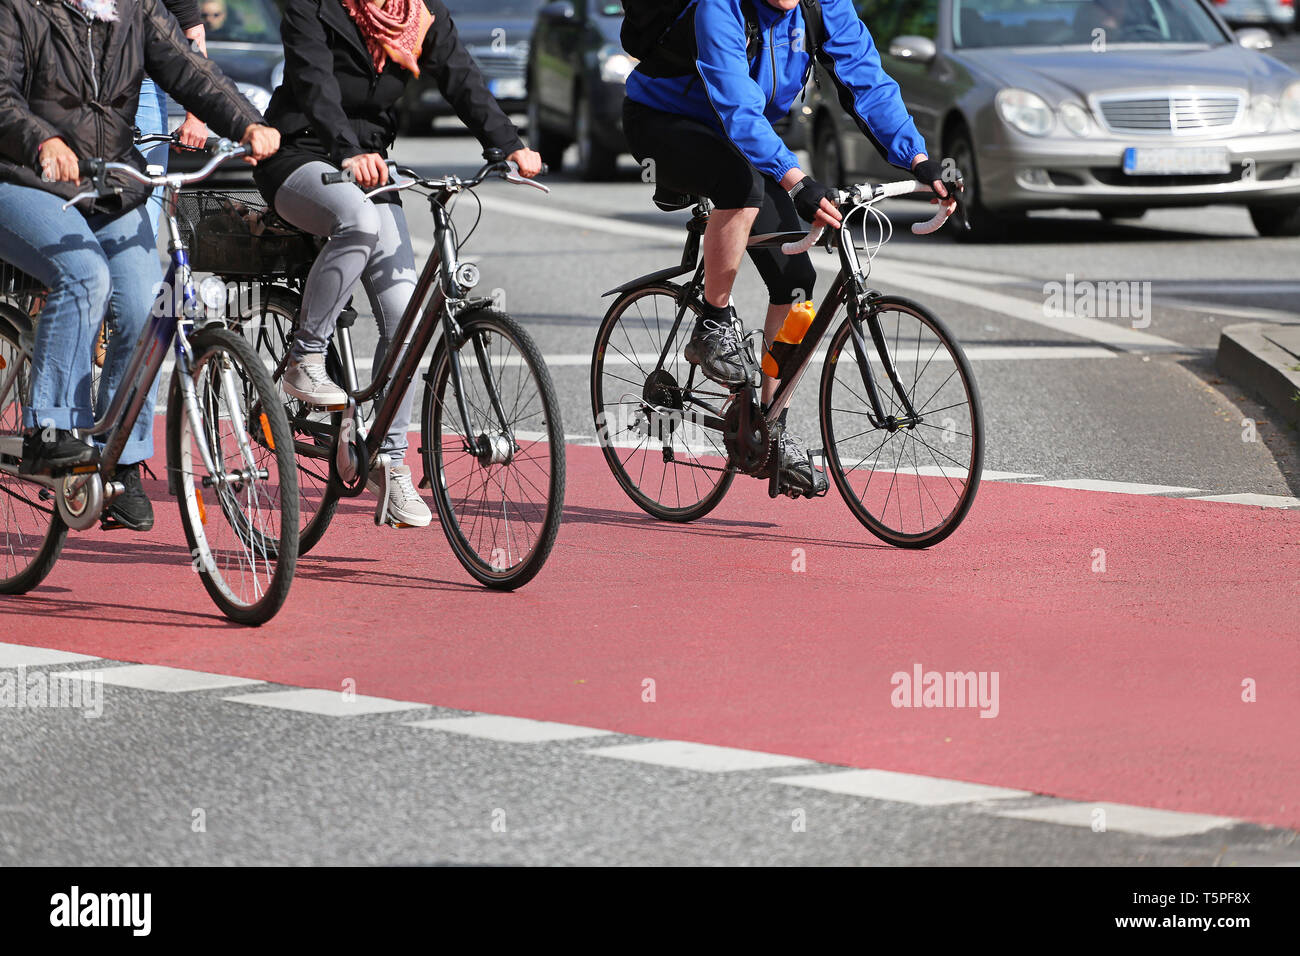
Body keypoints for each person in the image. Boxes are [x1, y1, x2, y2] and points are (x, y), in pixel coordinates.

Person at [624, 0, 955, 496]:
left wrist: (920, 159)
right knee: (739, 185)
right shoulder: (721, 7)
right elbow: (735, 106)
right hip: (665, 123)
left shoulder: (823, 7)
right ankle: (712, 324)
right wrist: (797, 180)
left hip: (748, 133)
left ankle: (767, 428)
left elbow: (867, 81)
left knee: (796, 281)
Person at [254, 0, 541, 528]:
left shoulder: (418, 15)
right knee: (358, 223)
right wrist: (343, 148)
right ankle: (305, 356)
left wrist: (508, 144)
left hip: (369, 168)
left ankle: (390, 461)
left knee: (405, 315)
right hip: (300, 155)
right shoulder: (311, 6)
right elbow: (314, 80)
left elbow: (461, 76)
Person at [0, 0, 280, 530]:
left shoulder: (134, 8)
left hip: (106, 182)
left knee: (147, 302)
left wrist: (246, 122)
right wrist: (44, 140)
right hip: (21, 177)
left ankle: (119, 461)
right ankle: (51, 429)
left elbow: (187, 67)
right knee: (86, 276)